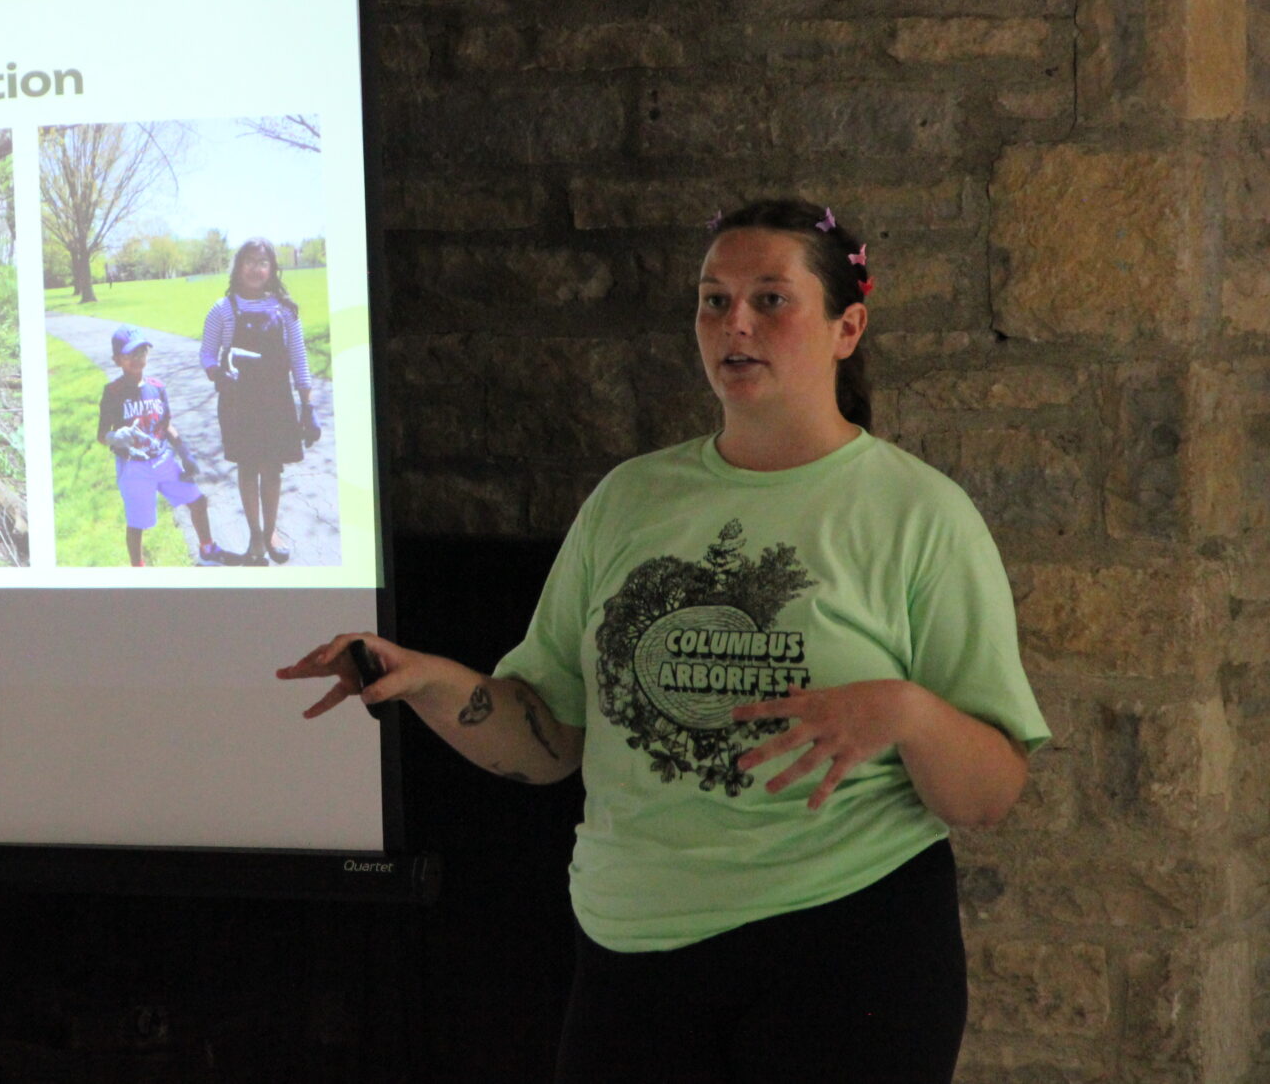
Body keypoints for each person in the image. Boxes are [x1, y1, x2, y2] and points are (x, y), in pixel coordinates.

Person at [276, 199, 1048, 1084]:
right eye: (713, 300)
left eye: (770, 298)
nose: (736, 324)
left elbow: (990, 792)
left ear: (849, 327)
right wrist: (425, 682)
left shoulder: (921, 515)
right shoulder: (629, 500)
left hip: (846, 945)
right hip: (632, 945)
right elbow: (548, 742)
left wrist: (906, 712)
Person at [200, 238, 317, 566]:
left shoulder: (285, 309)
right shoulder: (223, 309)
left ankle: (271, 532)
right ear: (238, 267)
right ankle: (254, 534)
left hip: (277, 402)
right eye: (249, 261)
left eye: (262, 262)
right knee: (249, 467)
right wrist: (216, 374)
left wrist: (308, 407)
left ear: (271, 269)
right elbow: (207, 352)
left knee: (273, 469)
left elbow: (299, 358)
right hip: (239, 402)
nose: (255, 268)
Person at [99, 326, 233, 568]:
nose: (137, 359)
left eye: (142, 351)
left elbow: (166, 425)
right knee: (137, 523)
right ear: (117, 359)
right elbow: (101, 435)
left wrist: (185, 454)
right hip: (134, 468)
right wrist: (115, 436)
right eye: (130, 354)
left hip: (163, 460)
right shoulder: (113, 392)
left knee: (198, 501)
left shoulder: (157, 387)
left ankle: (208, 549)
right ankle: (137, 569)